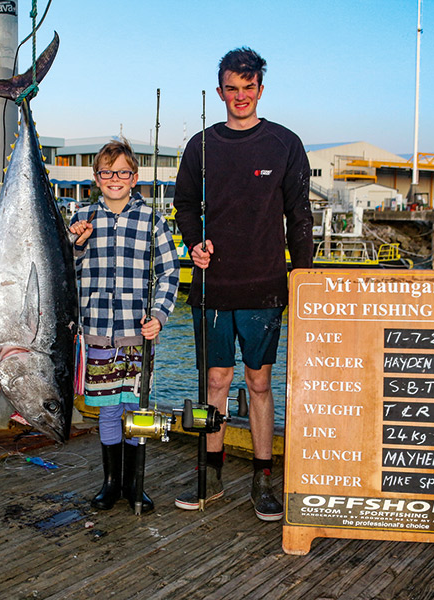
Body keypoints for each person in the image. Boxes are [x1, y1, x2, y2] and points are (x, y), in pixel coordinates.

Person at [172, 47, 314, 520]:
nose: (239, 96)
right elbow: (185, 205)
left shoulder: (285, 143)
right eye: (231, 89)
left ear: (260, 90)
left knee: (258, 382)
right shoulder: (200, 145)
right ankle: (209, 478)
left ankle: (262, 480)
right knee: (215, 381)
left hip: (266, 286)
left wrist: (305, 275)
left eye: (247, 88)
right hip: (213, 286)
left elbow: (300, 217)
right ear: (220, 92)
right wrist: (194, 242)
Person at [69, 138, 179, 514]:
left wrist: (159, 317)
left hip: (139, 334)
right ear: (96, 178)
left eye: (123, 172)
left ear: (134, 177)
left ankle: (135, 484)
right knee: (109, 410)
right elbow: (66, 271)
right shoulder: (81, 218)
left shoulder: (152, 219)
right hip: (97, 330)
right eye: (107, 172)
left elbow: (169, 273)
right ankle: (110, 484)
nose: (115, 178)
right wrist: (76, 244)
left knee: (134, 409)